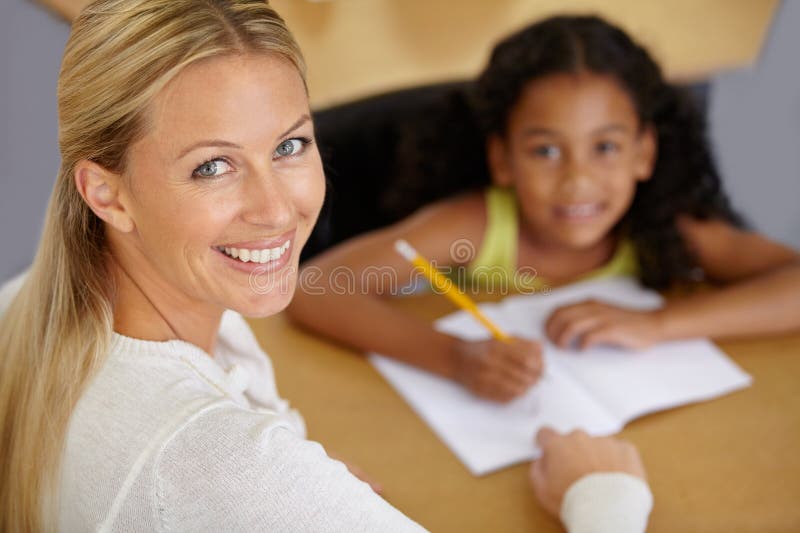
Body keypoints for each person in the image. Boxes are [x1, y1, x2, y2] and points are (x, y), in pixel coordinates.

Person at [0, 1, 653, 531]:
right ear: (106, 193)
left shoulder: (26, 301)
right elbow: (208, 468)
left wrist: (287, 493)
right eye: (212, 165)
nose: (277, 207)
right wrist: (604, 496)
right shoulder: (219, 459)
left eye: (289, 144)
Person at [286, 15, 800, 403]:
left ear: (644, 152)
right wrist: (454, 358)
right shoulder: (477, 223)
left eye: (605, 148)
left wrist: (660, 324)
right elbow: (315, 289)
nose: (577, 181)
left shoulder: (668, 228)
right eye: (546, 151)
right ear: (502, 158)